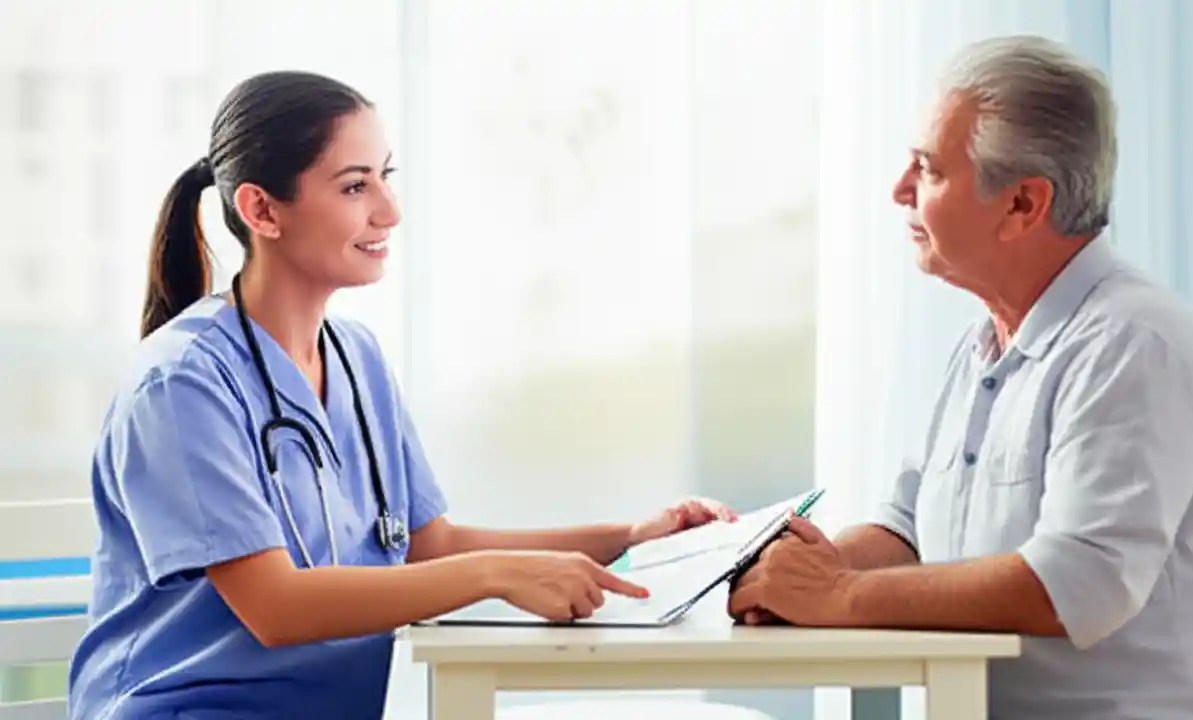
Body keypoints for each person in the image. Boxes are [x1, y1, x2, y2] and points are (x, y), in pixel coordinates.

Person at [68, 70, 735, 720]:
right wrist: (497, 575)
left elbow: (427, 544)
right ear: (261, 210)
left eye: (385, 176)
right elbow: (275, 607)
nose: (389, 210)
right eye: (355, 186)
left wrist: (628, 536)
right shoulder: (182, 382)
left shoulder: (356, 358)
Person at [727, 35, 1193, 719]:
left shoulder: (1135, 345)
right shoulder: (984, 344)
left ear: (1022, 205)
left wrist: (835, 595)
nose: (899, 190)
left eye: (928, 170)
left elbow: (1078, 582)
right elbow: (907, 531)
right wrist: (786, 575)